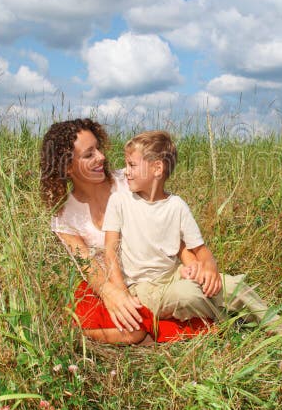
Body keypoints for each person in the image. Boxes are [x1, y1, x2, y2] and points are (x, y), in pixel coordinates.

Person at [40, 118, 208, 344]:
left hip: (151, 278)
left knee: (193, 305)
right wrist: (114, 295)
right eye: (89, 154)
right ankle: (79, 334)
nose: (101, 157)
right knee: (133, 329)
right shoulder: (64, 217)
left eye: (98, 148)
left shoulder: (128, 181)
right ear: (67, 166)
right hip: (104, 283)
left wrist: (192, 264)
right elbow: (87, 266)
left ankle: (151, 328)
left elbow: (171, 234)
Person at [102, 130, 272, 330]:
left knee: (233, 286)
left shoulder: (177, 205)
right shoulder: (119, 201)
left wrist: (210, 268)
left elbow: (200, 250)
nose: (126, 171)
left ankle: (280, 325)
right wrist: (121, 291)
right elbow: (110, 250)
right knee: (188, 295)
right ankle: (232, 324)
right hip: (142, 286)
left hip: (174, 275)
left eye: (132, 165)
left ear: (157, 168)